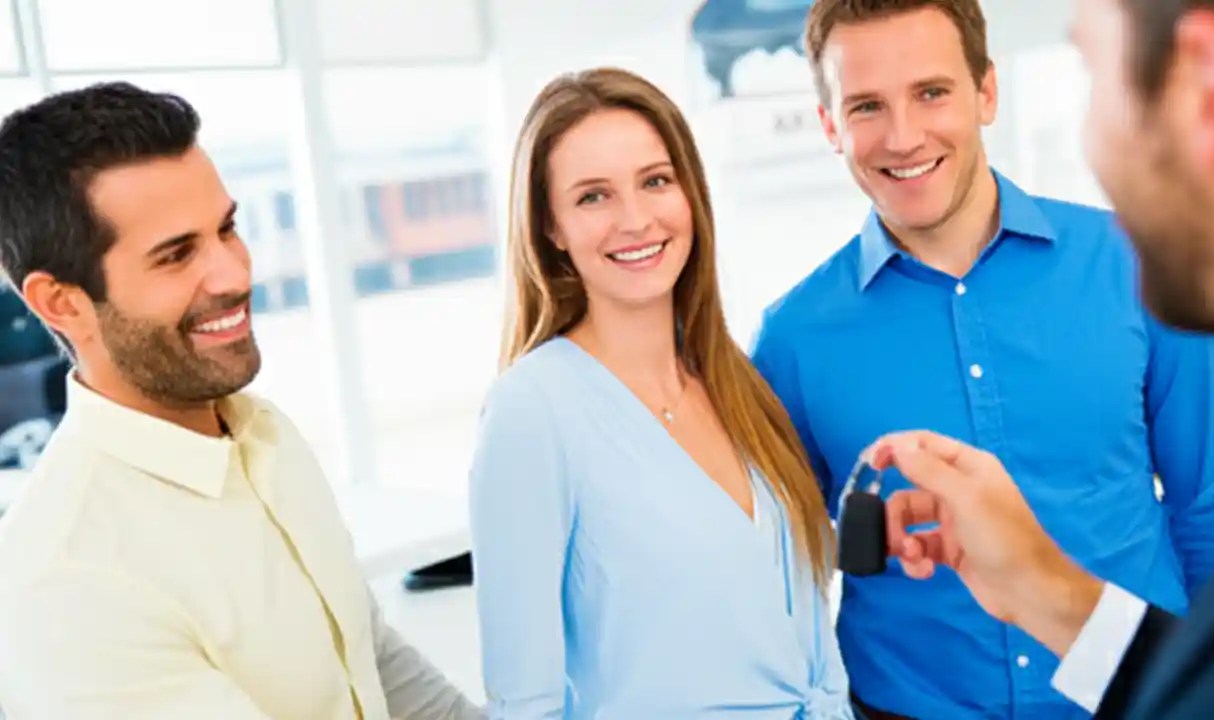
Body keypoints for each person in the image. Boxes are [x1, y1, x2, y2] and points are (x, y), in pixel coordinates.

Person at [748, 1, 1214, 718]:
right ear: (830, 125)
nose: (903, 136)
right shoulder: (789, 342)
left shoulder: (1137, 265)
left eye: (931, 92)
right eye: (865, 105)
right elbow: (780, 575)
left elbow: (1212, 506)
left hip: (1140, 699)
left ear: (986, 91)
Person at [0, 83, 481, 720]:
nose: (233, 274)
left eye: (226, 228)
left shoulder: (262, 433)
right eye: (176, 255)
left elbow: (367, 659)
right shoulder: (66, 578)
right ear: (61, 303)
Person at [468, 67, 852, 719]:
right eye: (593, 196)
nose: (637, 219)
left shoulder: (736, 382)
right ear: (551, 227)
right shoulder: (533, 410)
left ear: (689, 193)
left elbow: (749, 608)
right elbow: (524, 702)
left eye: (655, 180)